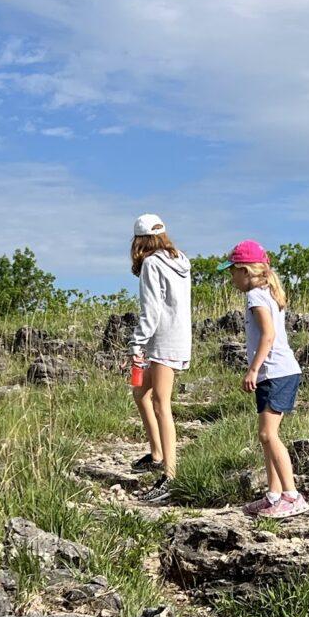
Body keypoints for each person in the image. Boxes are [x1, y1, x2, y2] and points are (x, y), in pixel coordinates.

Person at [228, 240, 309, 518]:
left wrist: (252, 369)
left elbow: (268, 335)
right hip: (275, 373)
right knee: (265, 436)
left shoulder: (256, 297)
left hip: (276, 372)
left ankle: (291, 495)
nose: (232, 278)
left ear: (246, 270)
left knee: (268, 434)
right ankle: (274, 495)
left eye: (233, 272)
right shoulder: (267, 292)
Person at [127, 212, 192, 499]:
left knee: (160, 402)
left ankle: (170, 474)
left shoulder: (152, 264)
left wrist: (137, 343)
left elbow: (150, 309)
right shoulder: (181, 260)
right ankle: (155, 454)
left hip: (162, 340)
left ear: (140, 240)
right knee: (141, 392)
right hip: (174, 336)